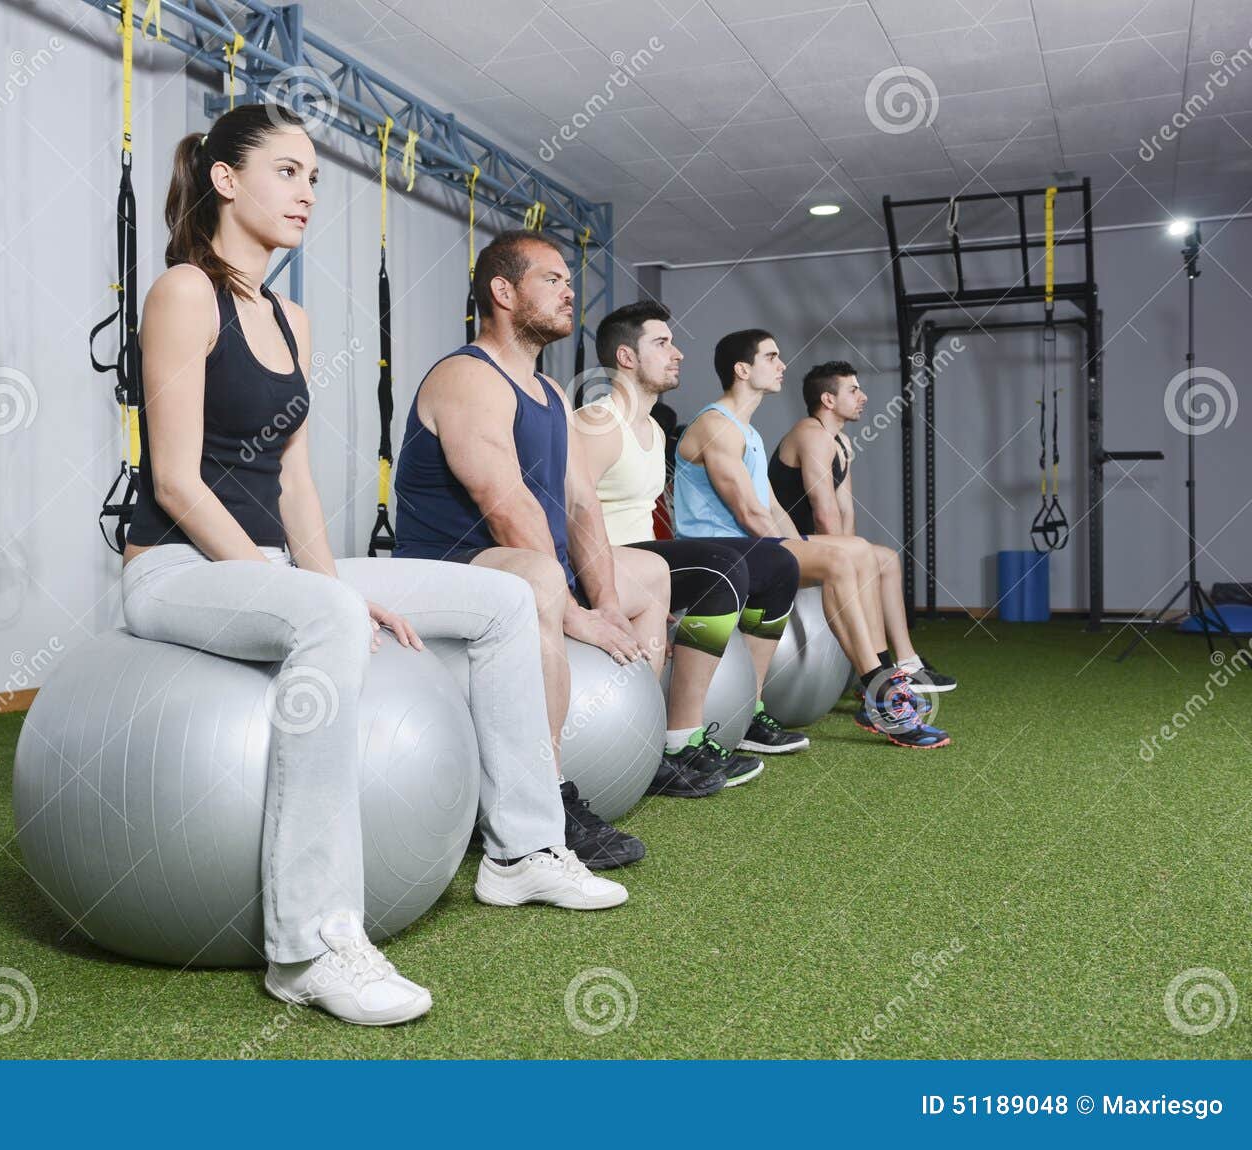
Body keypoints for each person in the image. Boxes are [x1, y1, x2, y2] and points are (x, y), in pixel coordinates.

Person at [121, 106, 627, 1029]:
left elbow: (298, 489)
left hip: (273, 564)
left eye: (314, 176)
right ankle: (312, 944)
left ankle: (521, 850)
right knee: (324, 619)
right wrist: (319, 598)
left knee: (507, 598)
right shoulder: (183, 293)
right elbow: (179, 481)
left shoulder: (292, 318)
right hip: (178, 568)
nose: (307, 191)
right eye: (286, 172)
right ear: (226, 180)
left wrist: (326, 579)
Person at [393, 230, 672, 869]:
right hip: (447, 565)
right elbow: (505, 503)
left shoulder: (550, 395)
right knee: (542, 578)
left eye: (569, 280)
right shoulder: (467, 376)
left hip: (525, 563)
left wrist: (605, 606)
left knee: (650, 575)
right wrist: (576, 612)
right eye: (552, 279)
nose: (569, 290)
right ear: (502, 291)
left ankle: (640, 749)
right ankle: (546, 795)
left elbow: (580, 504)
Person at [674, 330, 950, 749]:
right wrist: (802, 554)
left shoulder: (748, 431)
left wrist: (809, 547)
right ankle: (879, 694)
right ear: (742, 370)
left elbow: (773, 509)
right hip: (718, 552)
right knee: (838, 561)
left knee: (858, 550)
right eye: (772, 357)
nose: (782, 365)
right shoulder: (716, 425)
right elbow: (749, 515)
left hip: (747, 544)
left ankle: (883, 675)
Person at [578, 300, 810, 794]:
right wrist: (615, 596)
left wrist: (657, 588)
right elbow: (570, 512)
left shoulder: (655, 429)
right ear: (625, 357)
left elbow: (645, 519)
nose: (678, 353)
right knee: (721, 566)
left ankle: (749, 708)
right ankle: (679, 741)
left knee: (778, 564)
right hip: (596, 564)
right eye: (662, 344)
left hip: (641, 560)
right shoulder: (596, 423)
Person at [769, 360, 957, 713]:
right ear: (828, 398)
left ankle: (906, 662)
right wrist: (851, 559)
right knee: (867, 557)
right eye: (853, 390)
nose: (863, 397)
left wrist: (857, 554)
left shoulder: (840, 440)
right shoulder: (810, 434)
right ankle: (880, 671)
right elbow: (823, 510)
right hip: (790, 545)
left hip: (821, 542)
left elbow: (845, 509)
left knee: (884, 557)